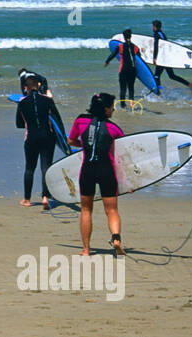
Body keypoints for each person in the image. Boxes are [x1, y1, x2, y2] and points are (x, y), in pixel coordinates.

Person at [67, 93, 125, 256]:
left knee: (86, 209)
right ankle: (116, 239)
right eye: (112, 106)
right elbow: (123, 154)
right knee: (112, 210)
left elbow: (71, 141)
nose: (113, 109)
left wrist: (85, 146)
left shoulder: (81, 120)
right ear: (106, 108)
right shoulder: (115, 129)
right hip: (107, 171)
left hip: (87, 171)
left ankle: (86, 249)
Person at [17, 75, 64, 210]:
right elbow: (57, 119)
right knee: (46, 167)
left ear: (25, 88)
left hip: (31, 137)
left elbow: (19, 123)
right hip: (47, 137)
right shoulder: (48, 100)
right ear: (38, 86)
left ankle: (26, 199)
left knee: (30, 168)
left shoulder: (22, 102)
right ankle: (45, 197)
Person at [150, 20, 192, 92]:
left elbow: (156, 46)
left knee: (157, 76)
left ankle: (158, 93)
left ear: (155, 27)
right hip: (166, 57)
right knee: (171, 76)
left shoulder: (157, 34)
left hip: (163, 59)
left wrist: (154, 58)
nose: (152, 28)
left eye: (153, 26)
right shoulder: (162, 34)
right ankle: (189, 84)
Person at [104, 28, 143, 109]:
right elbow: (140, 61)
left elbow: (113, 54)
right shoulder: (135, 47)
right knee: (131, 88)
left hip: (124, 70)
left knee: (123, 89)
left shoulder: (120, 46)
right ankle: (131, 105)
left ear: (124, 37)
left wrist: (107, 61)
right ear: (130, 36)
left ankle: (123, 107)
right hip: (133, 70)